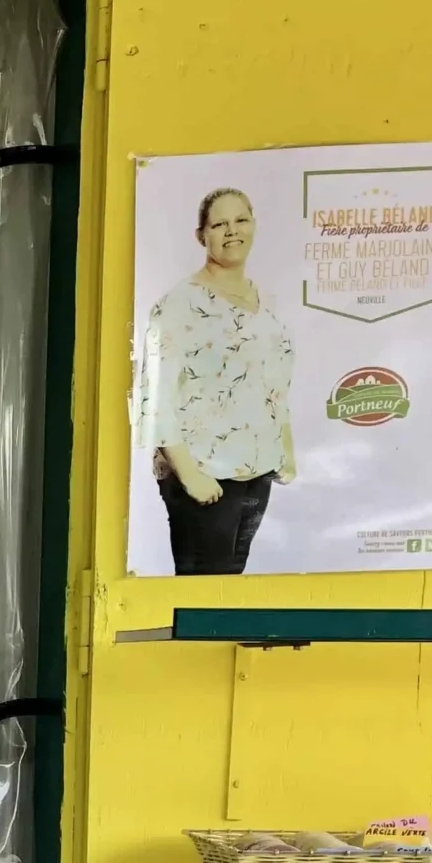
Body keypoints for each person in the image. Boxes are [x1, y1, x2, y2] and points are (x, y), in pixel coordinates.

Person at [136, 186, 297, 575]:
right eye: (219, 223)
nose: (232, 231)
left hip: (257, 473)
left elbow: (275, 382)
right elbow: (152, 397)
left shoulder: (268, 301)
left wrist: (286, 450)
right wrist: (190, 475)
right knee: (203, 600)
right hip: (205, 478)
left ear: (254, 225)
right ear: (201, 235)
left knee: (231, 595)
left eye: (240, 220)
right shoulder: (179, 304)